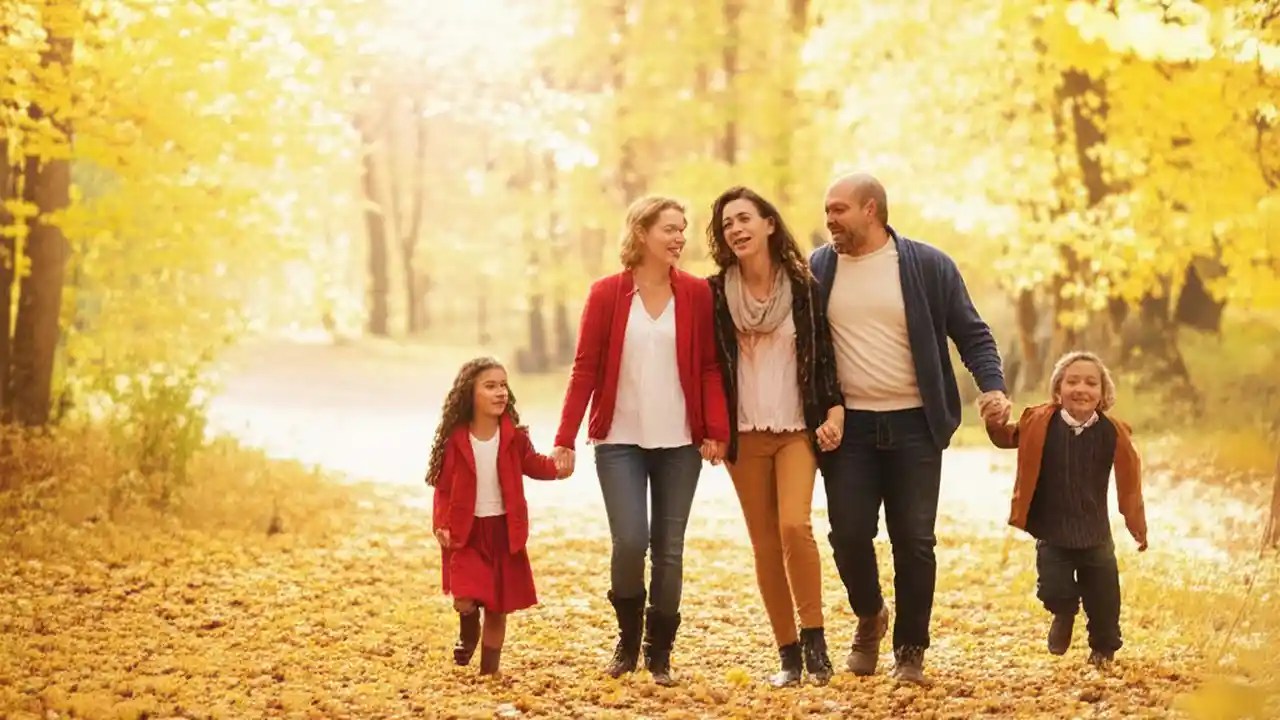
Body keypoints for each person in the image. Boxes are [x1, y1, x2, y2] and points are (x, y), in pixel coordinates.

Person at [810, 173, 1011, 684]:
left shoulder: (926, 265)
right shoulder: (819, 268)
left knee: (914, 541)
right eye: (827, 210)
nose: (830, 219)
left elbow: (972, 332)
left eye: (839, 209)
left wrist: (992, 387)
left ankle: (910, 651)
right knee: (848, 534)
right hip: (849, 427)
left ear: (871, 209)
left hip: (915, 426)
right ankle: (870, 614)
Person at [553, 195, 730, 687]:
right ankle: (628, 640)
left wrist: (716, 429)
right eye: (669, 228)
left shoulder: (695, 293)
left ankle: (659, 652)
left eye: (682, 229)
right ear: (641, 232)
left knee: (669, 548)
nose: (679, 237)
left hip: (679, 441)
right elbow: (585, 368)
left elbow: (710, 367)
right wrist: (565, 437)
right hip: (619, 439)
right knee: (630, 540)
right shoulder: (607, 294)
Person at [704, 186, 843, 687]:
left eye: (744, 219)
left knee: (793, 527)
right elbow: (707, 369)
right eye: (726, 225)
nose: (736, 230)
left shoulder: (804, 287)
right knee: (764, 544)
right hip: (742, 435)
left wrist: (835, 411)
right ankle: (787, 653)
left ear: (768, 224)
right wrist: (710, 429)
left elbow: (825, 358)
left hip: (794, 430)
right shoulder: (715, 292)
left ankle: (815, 639)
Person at [984, 350, 1147, 667]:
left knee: (1104, 600)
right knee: (1052, 588)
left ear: (1102, 394)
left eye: (1091, 383)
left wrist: (1136, 525)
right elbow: (1006, 437)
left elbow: (1130, 482)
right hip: (1053, 531)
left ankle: (1103, 651)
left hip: (1096, 534)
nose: (1081, 389)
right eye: (1072, 381)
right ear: (1058, 389)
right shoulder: (1039, 421)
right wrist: (994, 420)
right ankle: (1064, 612)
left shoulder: (1113, 433)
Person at [427, 357, 569, 676]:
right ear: (469, 394)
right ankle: (468, 628)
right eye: (490, 386)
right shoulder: (456, 441)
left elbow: (533, 463)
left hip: (505, 532)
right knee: (464, 597)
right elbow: (444, 489)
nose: (500, 392)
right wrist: (440, 524)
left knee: (497, 607)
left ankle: (489, 672)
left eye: (503, 385)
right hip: (467, 532)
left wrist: (557, 468)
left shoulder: (514, 437)